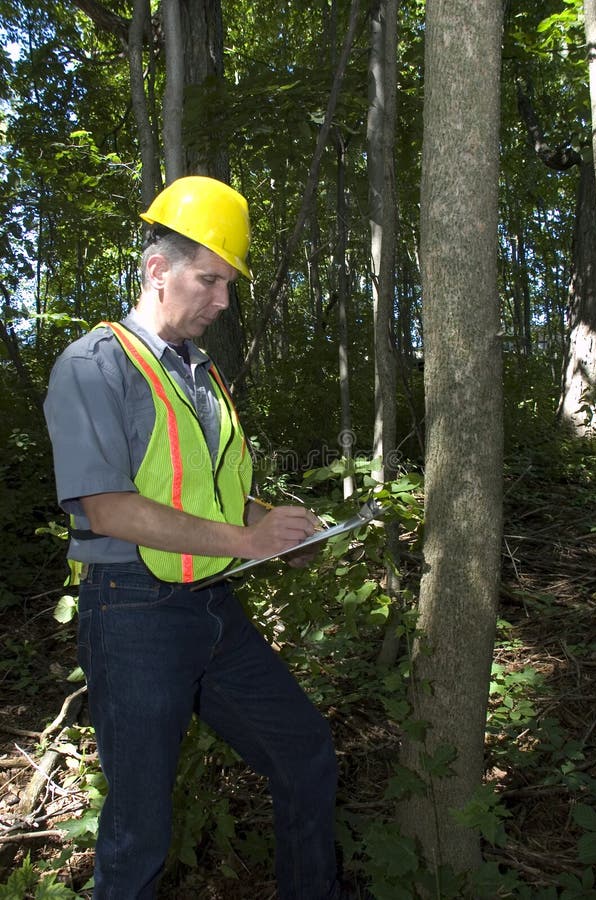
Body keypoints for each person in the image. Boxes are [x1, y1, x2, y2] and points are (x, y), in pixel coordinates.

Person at [44, 176, 342, 900]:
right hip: (133, 612)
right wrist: (247, 542)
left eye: (229, 284)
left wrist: (278, 529)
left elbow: (218, 494)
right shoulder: (94, 364)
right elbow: (107, 507)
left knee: (303, 752)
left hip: (210, 607)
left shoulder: (201, 375)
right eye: (209, 280)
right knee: (139, 826)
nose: (222, 300)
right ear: (156, 270)